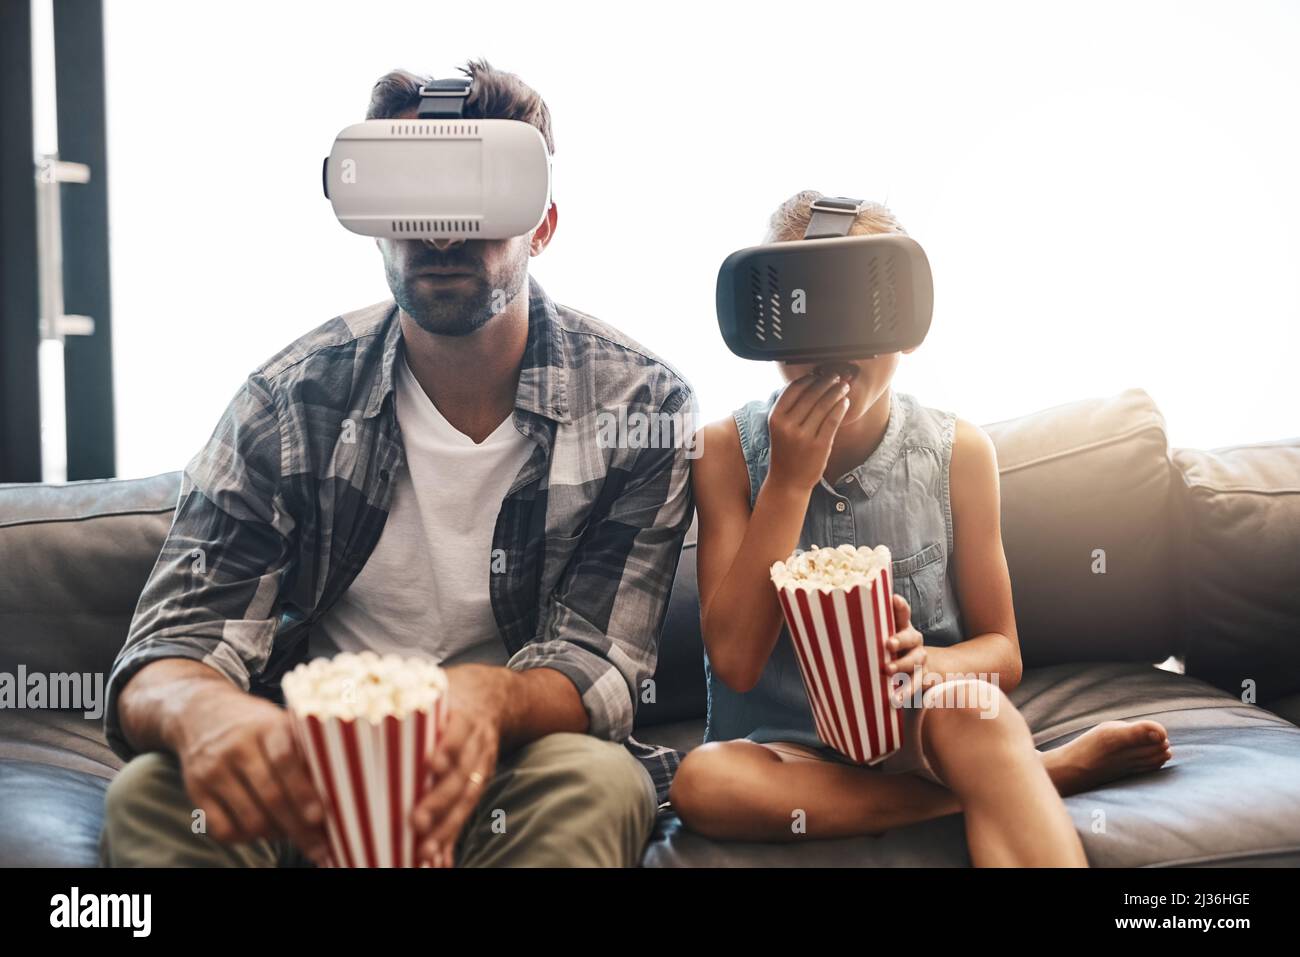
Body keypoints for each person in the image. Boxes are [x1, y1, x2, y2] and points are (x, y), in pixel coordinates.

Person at [99, 60, 695, 868]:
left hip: (503, 772)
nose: (442, 233)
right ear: (373, 217)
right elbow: (173, 641)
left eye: (477, 198)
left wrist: (489, 698)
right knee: (153, 792)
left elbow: (600, 661)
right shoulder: (285, 403)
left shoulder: (642, 407)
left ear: (543, 223)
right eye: (412, 198)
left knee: (593, 777)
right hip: (306, 770)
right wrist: (205, 713)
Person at [669, 192, 1172, 866]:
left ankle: (991, 770)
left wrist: (928, 663)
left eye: (856, 315)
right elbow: (733, 662)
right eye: (802, 320)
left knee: (984, 715)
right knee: (701, 782)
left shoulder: (958, 454)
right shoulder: (726, 453)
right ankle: (1036, 775)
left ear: (905, 327)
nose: (829, 354)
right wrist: (788, 483)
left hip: (920, 732)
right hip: (782, 749)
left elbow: (1003, 651)